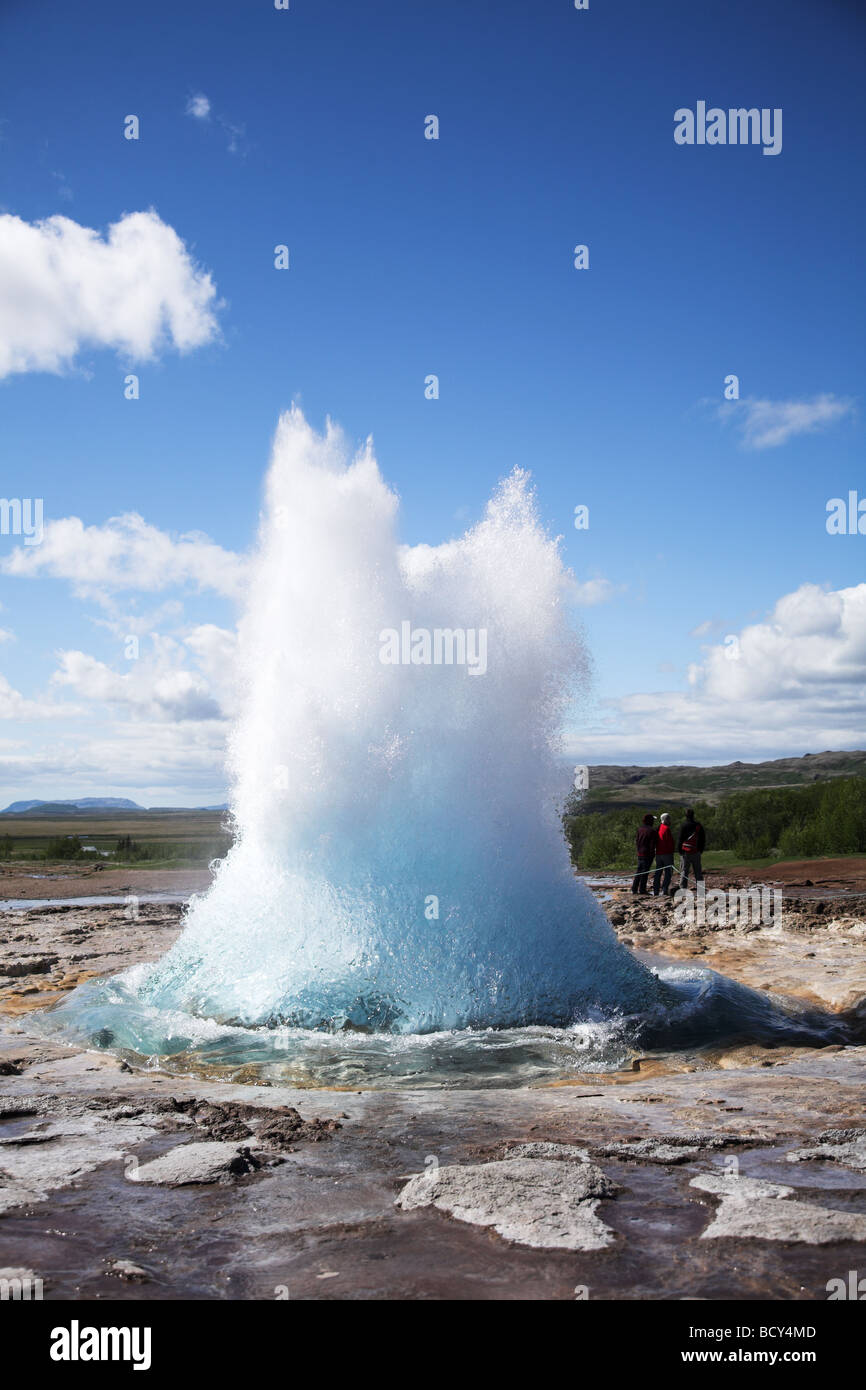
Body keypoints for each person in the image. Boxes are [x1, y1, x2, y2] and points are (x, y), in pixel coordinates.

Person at [677, 807, 705, 889]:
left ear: (686, 816)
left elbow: (680, 839)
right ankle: (701, 891)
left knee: (684, 872)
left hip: (685, 852)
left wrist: (680, 851)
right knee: (698, 873)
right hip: (696, 851)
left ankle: (682, 890)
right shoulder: (698, 825)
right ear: (693, 815)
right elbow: (702, 839)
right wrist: (700, 850)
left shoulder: (683, 825)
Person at [632, 813, 656, 894]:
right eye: (652, 820)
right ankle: (642, 890)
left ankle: (634, 888)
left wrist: (638, 850)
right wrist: (652, 854)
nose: (653, 821)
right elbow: (652, 844)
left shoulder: (640, 829)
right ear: (649, 821)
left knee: (639, 871)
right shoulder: (652, 830)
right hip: (647, 854)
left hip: (640, 853)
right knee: (645, 873)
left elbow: (637, 841)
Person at [653, 812, 675, 896]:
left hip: (658, 853)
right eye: (669, 819)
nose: (670, 821)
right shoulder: (666, 829)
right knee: (668, 872)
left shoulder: (659, 828)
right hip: (666, 853)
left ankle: (656, 890)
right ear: (666, 820)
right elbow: (668, 842)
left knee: (658, 872)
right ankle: (664, 889)